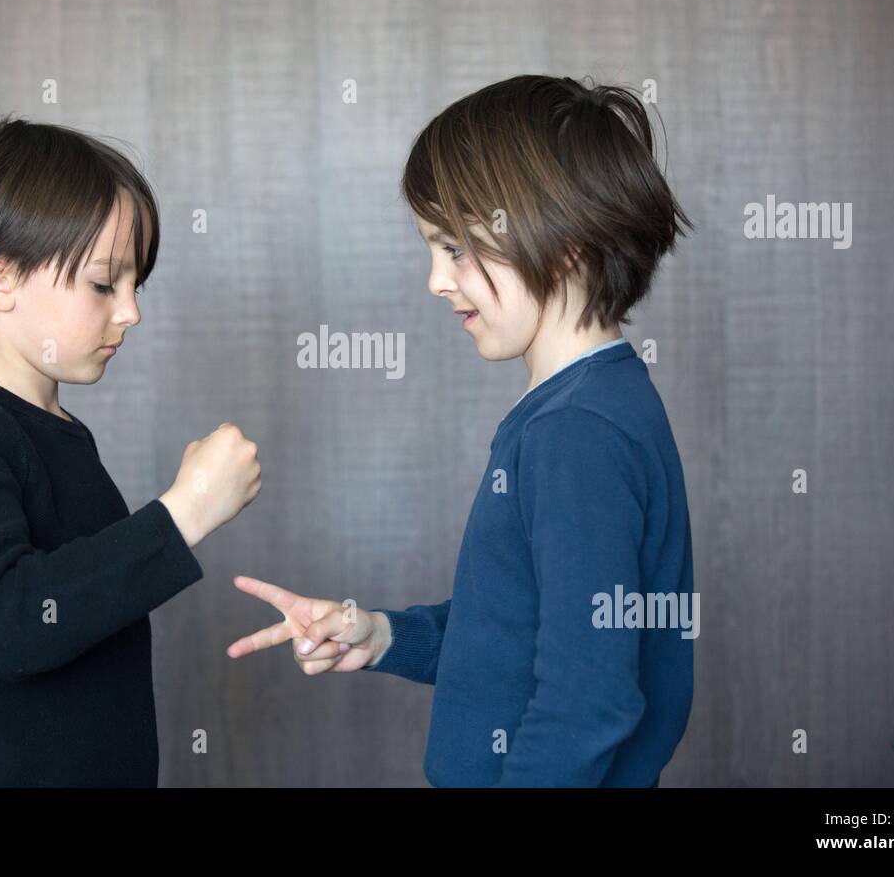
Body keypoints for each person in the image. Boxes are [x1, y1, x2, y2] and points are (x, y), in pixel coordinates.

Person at [228, 75, 695, 787]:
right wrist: (383, 634)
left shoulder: (574, 435)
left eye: (455, 249)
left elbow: (588, 700)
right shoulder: (588, 408)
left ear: (562, 244)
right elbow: (519, 632)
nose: (436, 281)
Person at [0, 117, 260, 786]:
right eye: (104, 284)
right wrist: (182, 515)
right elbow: (8, 623)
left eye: (136, 285)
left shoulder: (52, 431)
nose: (131, 312)